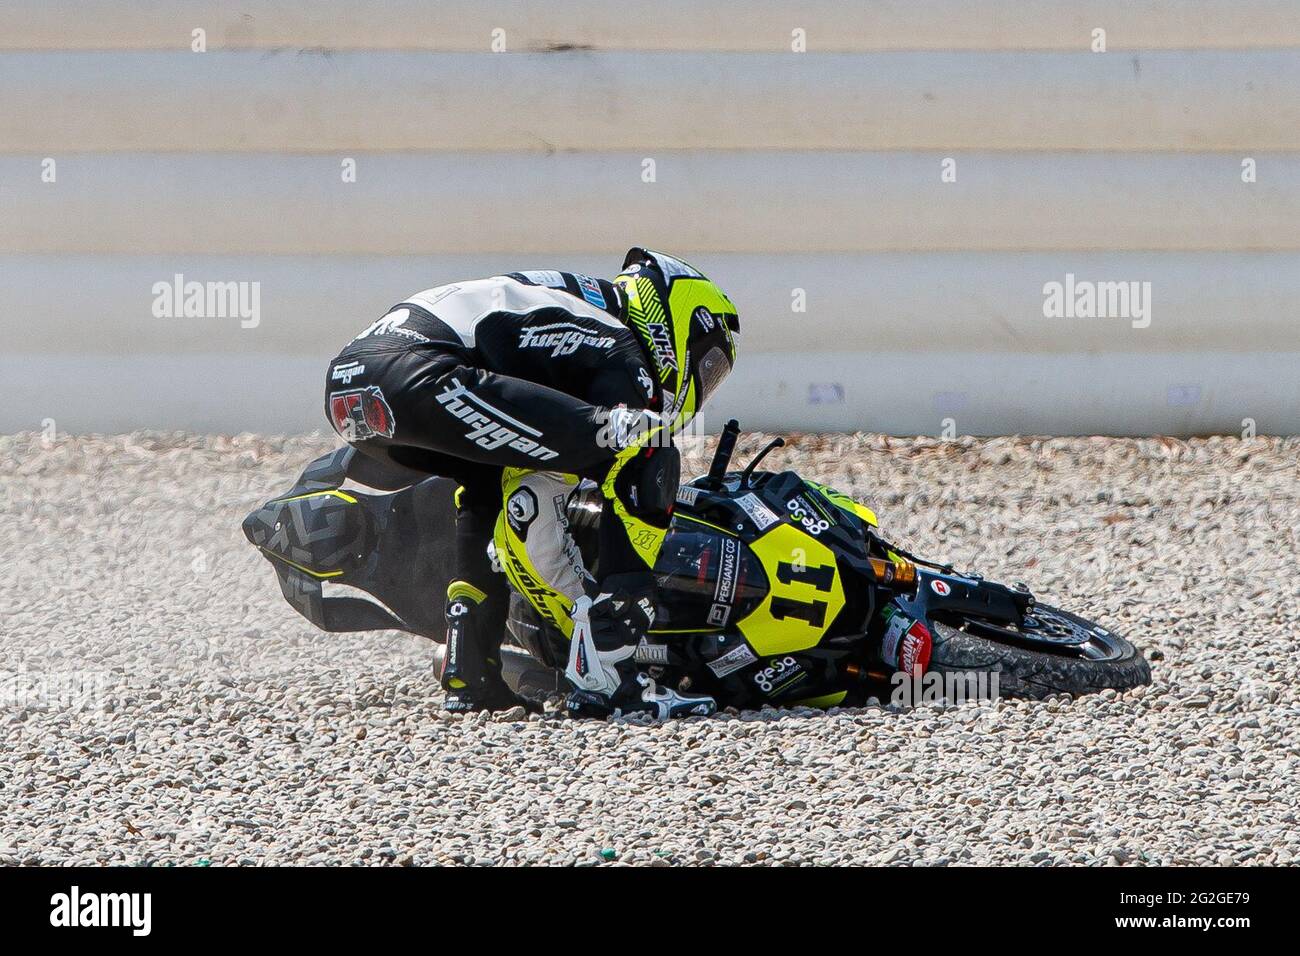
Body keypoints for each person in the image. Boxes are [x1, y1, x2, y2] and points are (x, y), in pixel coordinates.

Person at [324, 248, 739, 717]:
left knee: (486, 491)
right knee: (644, 443)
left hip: (351, 383)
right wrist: (632, 579)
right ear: (678, 323)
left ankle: (471, 676)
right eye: (709, 367)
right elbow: (627, 451)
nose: (703, 382)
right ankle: (616, 678)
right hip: (418, 372)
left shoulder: (565, 304)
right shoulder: (622, 343)